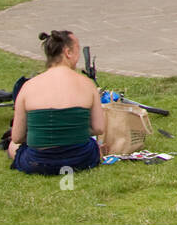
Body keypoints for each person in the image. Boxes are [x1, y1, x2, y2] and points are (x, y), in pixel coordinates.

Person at [8, 30, 105, 175]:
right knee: (95, 145)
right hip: (81, 159)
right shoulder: (87, 84)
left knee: (12, 145)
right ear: (68, 52)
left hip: (37, 162)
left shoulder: (28, 86)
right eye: (77, 50)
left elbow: (17, 137)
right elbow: (98, 128)